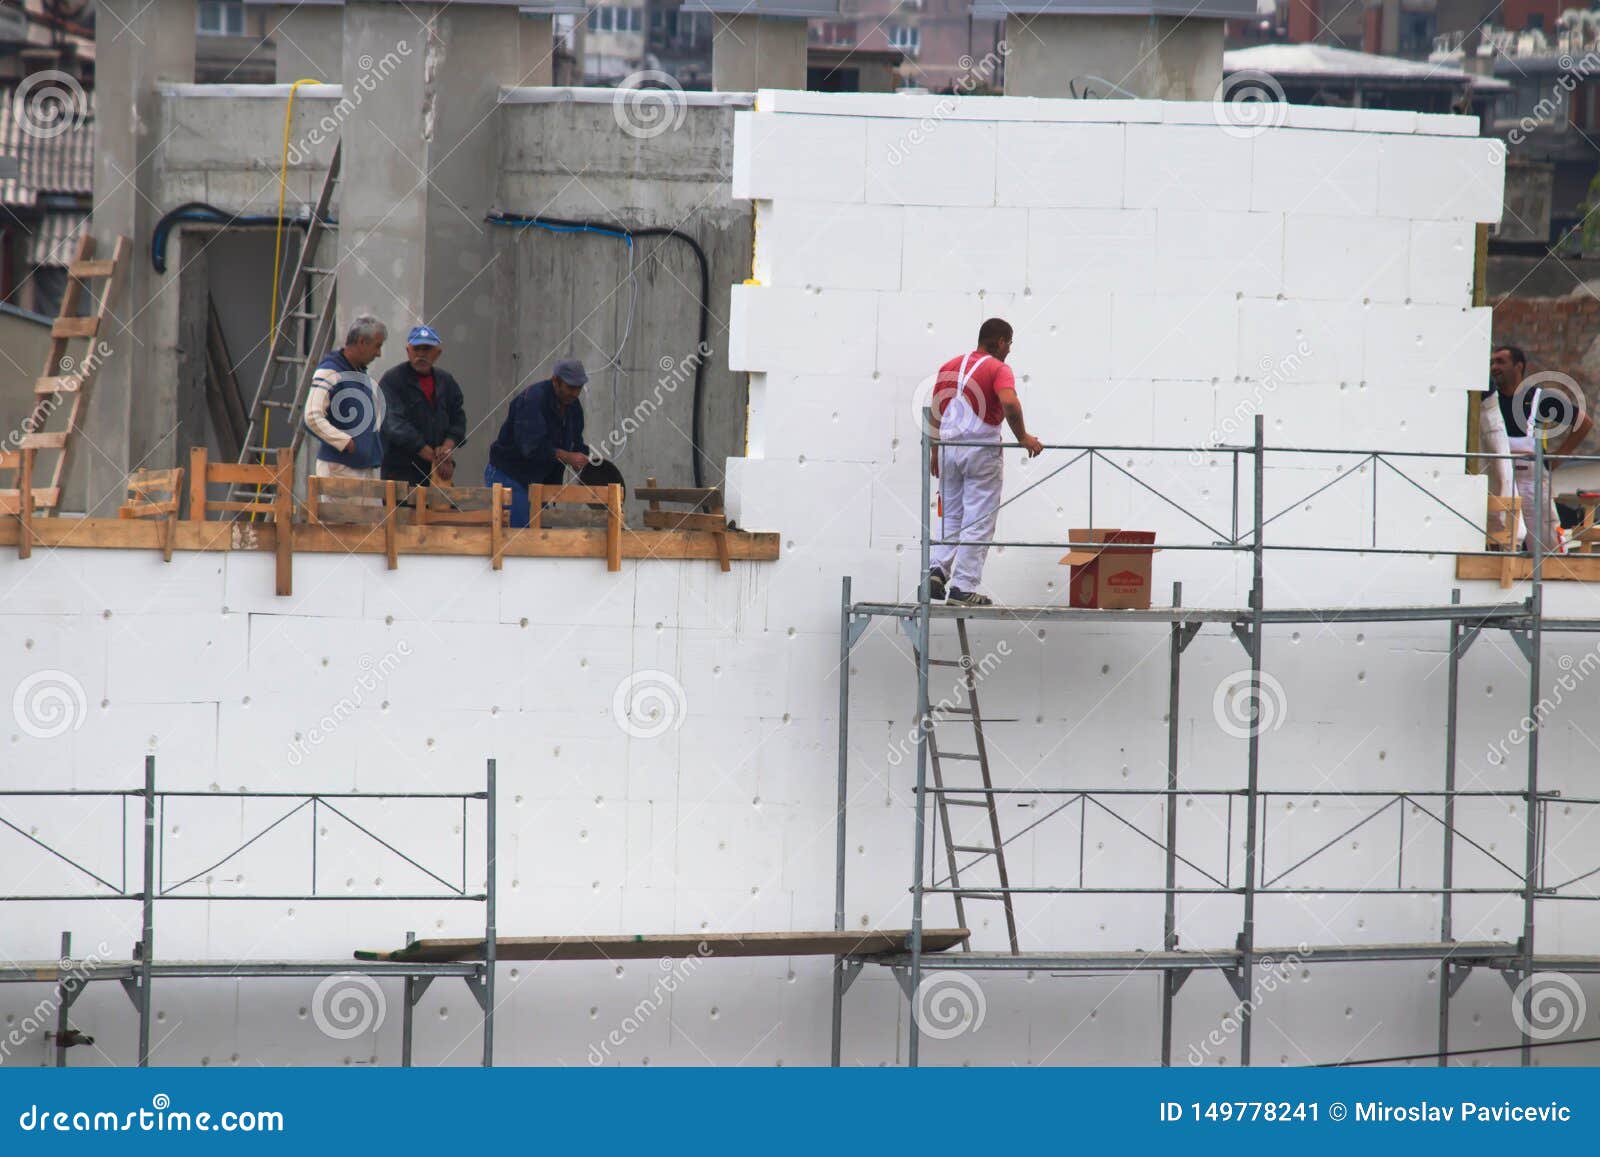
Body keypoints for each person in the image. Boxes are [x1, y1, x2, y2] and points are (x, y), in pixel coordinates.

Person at [927, 318, 1043, 606]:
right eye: (1010, 343)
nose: (1010, 350)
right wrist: (1023, 437)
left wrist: (934, 451)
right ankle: (962, 587)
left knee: (950, 514)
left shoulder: (949, 366)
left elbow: (934, 408)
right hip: (980, 449)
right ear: (1001, 341)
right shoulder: (998, 368)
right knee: (979, 517)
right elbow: (1010, 403)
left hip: (948, 447)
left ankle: (936, 571)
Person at [1489, 344, 1593, 553]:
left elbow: (1584, 423)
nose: (1494, 367)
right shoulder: (1490, 402)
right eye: (1492, 362)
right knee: (1501, 537)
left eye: (1500, 361)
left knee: (1547, 541)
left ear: (1519, 366)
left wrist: (1557, 459)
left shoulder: (1540, 399)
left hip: (1533, 482)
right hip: (1501, 479)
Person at [485, 358, 593, 528]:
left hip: (539, 481)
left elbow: (575, 441)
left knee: (540, 536)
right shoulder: (532, 400)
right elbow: (531, 447)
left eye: (578, 388)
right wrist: (569, 457)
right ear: (555, 381)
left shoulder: (573, 406)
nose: (574, 393)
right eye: (570, 387)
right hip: (510, 475)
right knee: (520, 539)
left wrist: (583, 459)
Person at [379, 325, 467, 487]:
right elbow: (394, 424)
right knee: (404, 512)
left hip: (437, 472)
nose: (421, 354)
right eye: (416, 349)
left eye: (427, 349)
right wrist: (431, 454)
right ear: (408, 350)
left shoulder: (446, 381)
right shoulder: (392, 380)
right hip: (401, 472)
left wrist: (446, 449)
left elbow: (458, 418)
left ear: (437, 353)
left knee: (444, 511)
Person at [305, 315, 387, 481]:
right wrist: (345, 442)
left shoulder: (356, 372)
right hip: (340, 469)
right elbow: (311, 416)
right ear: (362, 342)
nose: (378, 353)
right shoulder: (330, 371)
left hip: (360, 468)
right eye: (377, 346)